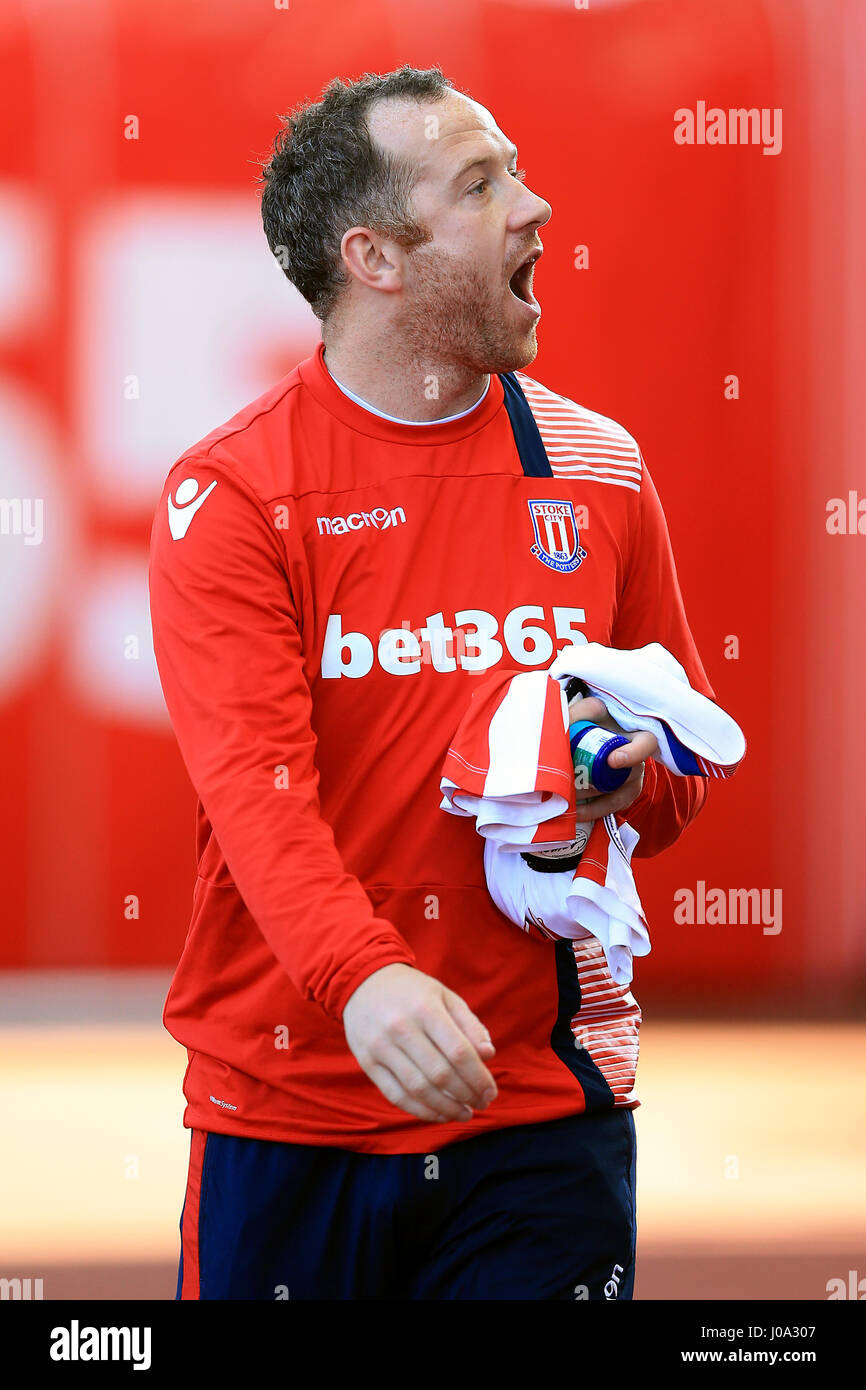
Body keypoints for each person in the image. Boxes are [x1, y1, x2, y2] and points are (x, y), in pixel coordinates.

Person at [148, 64, 714, 1301]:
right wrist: (363, 977)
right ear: (376, 257)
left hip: (541, 1115)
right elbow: (256, 797)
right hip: (287, 1108)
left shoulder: (597, 469)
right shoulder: (232, 493)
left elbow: (680, 782)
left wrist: (622, 776)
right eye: (480, 183)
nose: (535, 206)